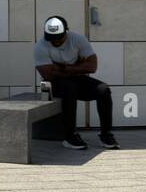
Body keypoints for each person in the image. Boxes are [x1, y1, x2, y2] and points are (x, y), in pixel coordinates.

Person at [33, 15, 119, 151]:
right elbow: (48, 74)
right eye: (51, 38)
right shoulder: (40, 46)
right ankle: (70, 135)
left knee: (103, 90)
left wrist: (61, 67)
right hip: (52, 83)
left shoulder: (78, 39)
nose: (55, 41)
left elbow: (92, 66)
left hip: (74, 79)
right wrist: (78, 67)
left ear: (66, 32)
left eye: (59, 38)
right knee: (69, 88)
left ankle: (106, 133)